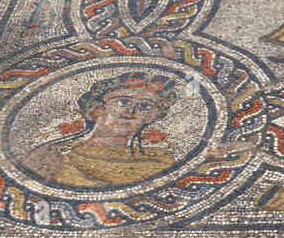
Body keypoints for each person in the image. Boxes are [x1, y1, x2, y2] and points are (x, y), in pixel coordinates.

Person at [19, 73, 178, 188]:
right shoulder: (50, 154)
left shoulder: (160, 160)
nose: (131, 111)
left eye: (144, 106)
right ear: (95, 110)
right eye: (122, 102)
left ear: (149, 117)